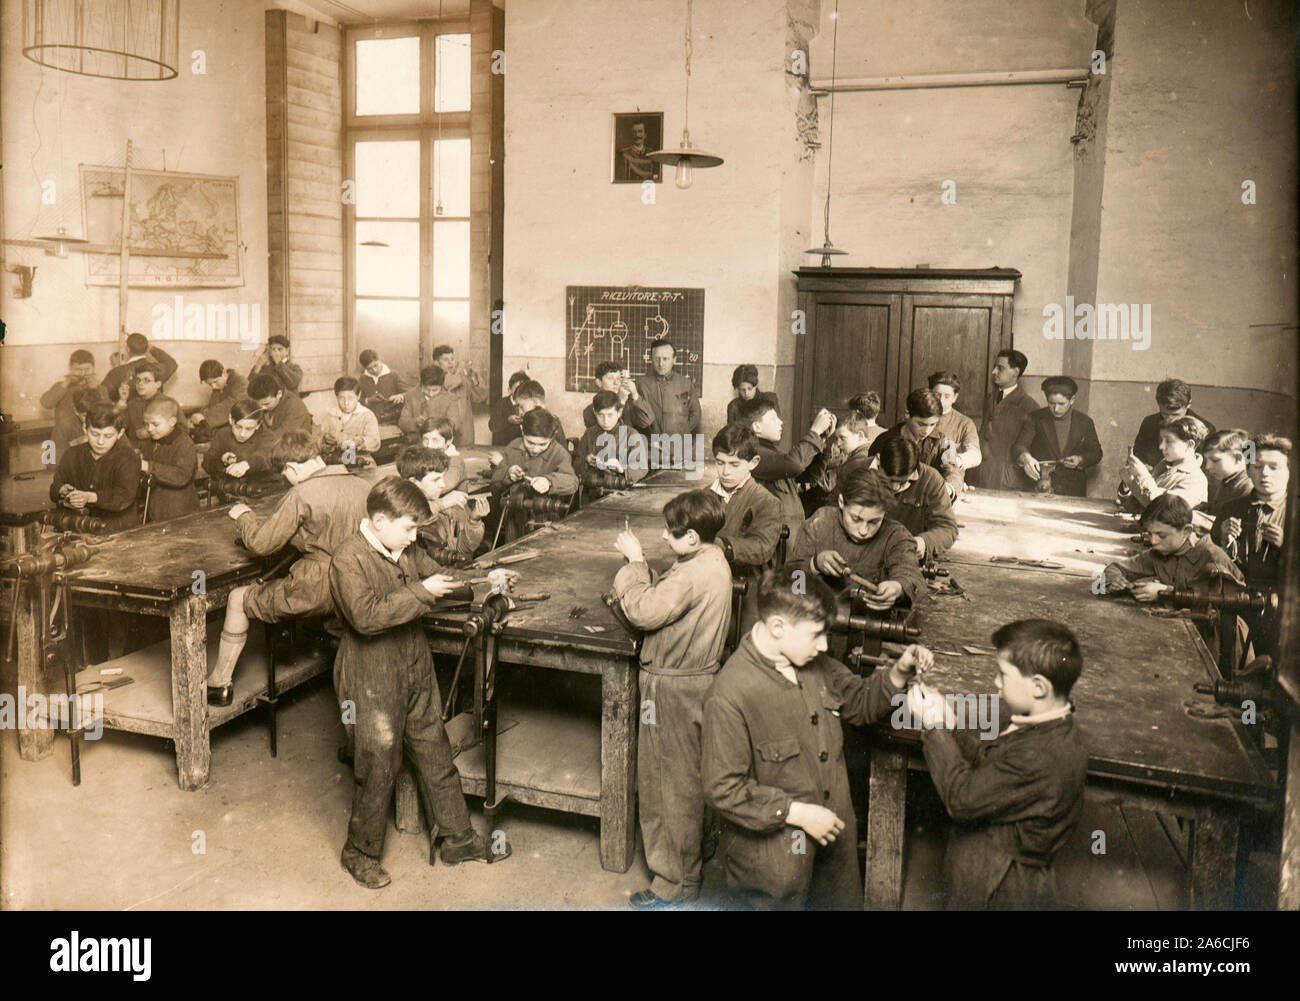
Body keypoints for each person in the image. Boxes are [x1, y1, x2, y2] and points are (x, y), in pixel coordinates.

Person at [702, 566, 927, 909]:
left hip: (834, 856)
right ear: (778, 627)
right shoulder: (730, 694)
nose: (824, 644)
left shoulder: (814, 663)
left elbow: (861, 705)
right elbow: (723, 788)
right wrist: (798, 813)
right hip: (775, 868)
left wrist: (897, 674)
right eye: (816, 634)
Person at [332, 477, 507, 889]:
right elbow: (366, 616)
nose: (414, 537)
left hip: (413, 657)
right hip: (370, 670)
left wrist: (485, 582)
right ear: (378, 521)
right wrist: (423, 592)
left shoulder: (404, 548)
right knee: (378, 762)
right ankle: (359, 851)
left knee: (434, 747)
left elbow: (439, 578)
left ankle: (456, 838)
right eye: (409, 527)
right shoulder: (348, 559)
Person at [609, 490, 732, 908]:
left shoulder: (689, 574)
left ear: (694, 538)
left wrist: (636, 563)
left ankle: (674, 884)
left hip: (671, 687)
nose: (665, 537)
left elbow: (643, 612)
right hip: (699, 682)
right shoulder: (714, 558)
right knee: (690, 779)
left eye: (673, 533)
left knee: (665, 785)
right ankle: (696, 856)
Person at [921, 619, 1088, 909]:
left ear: (1038, 687)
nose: (996, 682)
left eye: (1003, 674)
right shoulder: (1053, 728)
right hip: (1001, 870)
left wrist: (934, 727)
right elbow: (996, 769)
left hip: (997, 884)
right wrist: (953, 725)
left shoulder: (1038, 755)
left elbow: (962, 799)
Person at [205, 431, 372, 707]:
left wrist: (244, 516)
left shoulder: (302, 492)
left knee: (237, 599)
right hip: (357, 583)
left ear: (292, 468)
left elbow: (261, 545)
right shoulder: (362, 486)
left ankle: (219, 685)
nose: (287, 480)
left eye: (286, 474)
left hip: (318, 587)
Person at [1102, 493, 1243, 600]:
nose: (1153, 541)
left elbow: (1238, 599)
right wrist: (1115, 580)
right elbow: (1115, 567)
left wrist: (1167, 593)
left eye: (1161, 535)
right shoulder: (1159, 553)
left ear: (1186, 531)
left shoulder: (1213, 557)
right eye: (1149, 534)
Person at [742, 396, 836, 540]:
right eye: (773, 419)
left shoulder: (772, 452)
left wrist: (821, 440)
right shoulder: (756, 454)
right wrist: (815, 432)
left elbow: (808, 476)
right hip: (777, 538)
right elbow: (795, 464)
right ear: (757, 427)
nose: (781, 422)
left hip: (789, 534)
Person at [49, 403, 141, 532]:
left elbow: (124, 496)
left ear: (120, 434)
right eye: (95, 434)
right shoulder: (72, 454)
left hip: (116, 527)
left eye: (108, 436)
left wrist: (90, 497)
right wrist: (62, 490)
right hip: (79, 525)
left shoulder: (128, 457)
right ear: (85, 429)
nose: (100, 442)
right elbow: (54, 488)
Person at [490, 409, 579, 541]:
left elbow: (572, 482)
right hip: (515, 521)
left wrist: (549, 482)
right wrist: (508, 474)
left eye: (542, 444)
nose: (535, 449)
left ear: (553, 436)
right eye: (530, 443)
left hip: (547, 520)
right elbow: (495, 483)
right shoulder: (513, 447)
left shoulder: (559, 453)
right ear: (522, 430)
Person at [869, 434, 959, 559]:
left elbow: (947, 528)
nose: (895, 487)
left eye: (902, 482)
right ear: (878, 461)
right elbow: (833, 515)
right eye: (889, 481)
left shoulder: (931, 480)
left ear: (914, 470)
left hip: (904, 557)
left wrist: (924, 542)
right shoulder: (855, 470)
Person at [710, 424, 784, 575]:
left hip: (744, 583)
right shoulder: (704, 496)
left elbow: (762, 547)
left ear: (753, 463)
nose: (725, 472)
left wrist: (726, 546)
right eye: (720, 463)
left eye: (734, 464)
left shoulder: (767, 502)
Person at [397, 445, 488, 566]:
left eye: (442, 478)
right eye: (436, 480)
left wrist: (474, 521)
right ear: (414, 482)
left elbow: (462, 551)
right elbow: (417, 517)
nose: (443, 485)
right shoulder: (399, 511)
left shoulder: (443, 513)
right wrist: (441, 504)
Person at [1014, 376, 1103, 497]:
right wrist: (1026, 458)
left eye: (1061, 404)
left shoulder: (1084, 422)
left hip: (1073, 489)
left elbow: (1096, 453)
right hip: (1040, 486)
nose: (1056, 409)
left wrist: (1080, 460)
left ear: (1072, 400)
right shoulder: (1035, 418)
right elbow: (1019, 446)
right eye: (1051, 403)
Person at [877, 388, 965, 499]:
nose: (927, 431)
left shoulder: (945, 442)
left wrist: (948, 488)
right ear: (907, 414)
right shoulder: (883, 441)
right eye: (921, 424)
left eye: (933, 424)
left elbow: (954, 471)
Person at [630, 340, 701, 467]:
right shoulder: (640, 384)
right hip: (651, 451)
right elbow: (635, 419)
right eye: (657, 358)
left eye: (665, 359)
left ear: (674, 359)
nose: (661, 363)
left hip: (679, 450)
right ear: (651, 358)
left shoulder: (685, 383)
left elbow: (695, 414)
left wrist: (680, 433)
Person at [1118, 415, 1208, 512]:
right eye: (1161, 440)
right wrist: (1129, 483)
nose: (1161, 446)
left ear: (1190, 445)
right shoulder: (1163, 467)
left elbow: (1165, 511)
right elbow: (1139, 507)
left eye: (1168, 441)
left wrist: (1143, 476)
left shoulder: (1195, 479)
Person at [978, 349, 1039, 490]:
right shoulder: (990, 398)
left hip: (1005, 480)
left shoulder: (1029, 406)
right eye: (995, 367)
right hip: (981, 474)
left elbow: (1023, 446)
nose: (994, 372)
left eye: (1000, 368)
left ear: (1016, 372)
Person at [573, 390, 650, 496]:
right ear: (594, 412)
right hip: (592, 494)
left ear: (619, 413)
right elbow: (576, 463)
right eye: (601, 415)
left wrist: (622, 468)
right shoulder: (589, 434)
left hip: (622, 495)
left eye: (610, 415)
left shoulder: (631, 434)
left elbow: (642, 468)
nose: (606, 421)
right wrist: (586, 460)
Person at [203, 399, 281, 500]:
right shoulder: (222, 435)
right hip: (230, 498)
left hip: (262, 498)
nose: (242, 434)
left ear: (258, 425)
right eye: (238, 427)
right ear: (231, 419)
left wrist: (246, 464)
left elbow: (264, 456)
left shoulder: (269, 438)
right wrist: (222, 460)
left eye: (249, 429)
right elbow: (207, 462)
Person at [138, 397, 200, 522]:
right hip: (155, 505)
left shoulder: (184, 443)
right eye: (146, 424)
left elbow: (181, 476)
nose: (149, 429)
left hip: (179, 509)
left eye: (155, 424)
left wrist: (148, 466)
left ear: (172, 422)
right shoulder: (152, 440)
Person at [1132, 378, 1215, 469]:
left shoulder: (1205, 429)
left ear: (1189, 404)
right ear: (1158, 404)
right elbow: (1138, 454)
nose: (1170, 419)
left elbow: (1207, 469)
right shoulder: (1149, 422)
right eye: (1164, 414)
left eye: (1176, 415)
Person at [41, 350, 105, 457]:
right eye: (78, 370)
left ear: (93, 369)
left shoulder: (100, 388)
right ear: (70, 369)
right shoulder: (62, 386)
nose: (83, 374)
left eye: (87, 370)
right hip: (66, 436)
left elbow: (106, 412)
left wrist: (96, 389)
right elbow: (46, 403)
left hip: (93, 435)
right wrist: (66, 382)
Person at [1199, 429, 1255, 531]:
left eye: (1215, 460)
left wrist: (1199, 519)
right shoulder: (1227, 480)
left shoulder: (1247, 487)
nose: (1207, 466)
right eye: (1207, 460)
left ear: (1238, 458)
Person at [928, 372, 981, 477]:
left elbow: (975, 454)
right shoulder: (920, 416)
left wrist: (957, 460)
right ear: (930, 393)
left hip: (949, 479)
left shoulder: (965, 423)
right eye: (937, 395)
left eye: (947, 396)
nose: (941, 400)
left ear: (955, 397)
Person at [432, 344, 487, 445]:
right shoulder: (434, 379)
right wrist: (461, 369)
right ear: (436, 363)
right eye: (445, 359)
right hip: (445, 433)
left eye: (452, 359)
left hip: (466, 434)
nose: (450, 362)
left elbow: (481, 397)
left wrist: (473, 377)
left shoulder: (463, 378)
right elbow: (451, 382)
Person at [100, 332, 178, 402]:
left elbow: (101, 396)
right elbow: (172, 363)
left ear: (127, 349)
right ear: (147, 348)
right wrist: (152, 348)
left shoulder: (117, 372)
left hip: (128, 416)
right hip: (153, 414)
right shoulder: (156, 369)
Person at [321, 376, 381, 465]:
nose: (346, 403)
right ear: (336, 396)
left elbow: (375, 442)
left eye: (350, 398)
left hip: (362, 461)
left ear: (358, 395)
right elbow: (319, 441)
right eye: (342, 398)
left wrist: (362, 441)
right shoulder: (330, 416)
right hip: (336, 462)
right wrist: (325, 440)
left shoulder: (367, 415)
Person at [398, 364, 461, 444]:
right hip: (416, 444)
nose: (431, 393)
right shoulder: (411, 396)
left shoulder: (450, 398)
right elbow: (402, 423)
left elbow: (455, 424)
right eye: (427, 389)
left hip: (439, 444)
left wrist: (435, 426)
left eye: (435, 390)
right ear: (421, 384)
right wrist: (415, 422)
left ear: (441, 386)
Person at [189, 360, 248, 442]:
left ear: (224, 373)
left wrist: (204, 417)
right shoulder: (219, 387)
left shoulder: (241, 383)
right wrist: (199, 414)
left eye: (215, 382)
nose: (213, 387)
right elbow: (212, 406)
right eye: (210, 384)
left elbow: (232, 405)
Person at [249, 372, 315, 440]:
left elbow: (279, 437)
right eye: (259, 404)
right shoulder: (270, 403)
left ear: (279, 394)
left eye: (266, 404)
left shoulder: (295, 407)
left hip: (294, 445)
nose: (262, 408)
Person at [119, 362, 175, 443]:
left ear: (158, 384)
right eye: (138, 380)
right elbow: (119, 426)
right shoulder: (132, 404)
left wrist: (151, 432)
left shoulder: (168, 403)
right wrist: (122, 400)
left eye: (146, 380)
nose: (140, 384)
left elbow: (182, 431)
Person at [583, 361, 642, 429]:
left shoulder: (630, 403)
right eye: (610, 378)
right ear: (599, 382)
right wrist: (621, 402)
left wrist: (635, 395)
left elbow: (647, 422)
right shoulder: (590, 411)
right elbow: (606, 434)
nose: (616, 382)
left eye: (618, 378)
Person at [357, 349, 409, 424]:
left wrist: (400, 396)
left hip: (393, 420)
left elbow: (410, 394)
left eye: (376, 365)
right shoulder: (362, 379)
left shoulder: (394, 375)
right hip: (371, 421)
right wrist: (368, 400)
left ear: (380, 360)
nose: (374, 370)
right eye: (369, 369)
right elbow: (356, 401)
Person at [512, 379, 568, 446]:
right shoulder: (528, 420)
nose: (520, 412)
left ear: (536, 402)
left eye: (521, 407)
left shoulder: (551, 424)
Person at [419, 416, 467, 489]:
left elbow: (443, 486)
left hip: (450, 497)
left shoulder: (455, 460)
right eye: (425, 440)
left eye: (435, 440)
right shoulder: (424, 455)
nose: (429, 445)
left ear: (449, 441)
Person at [489, 370, 531, 446]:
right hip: (503, 446)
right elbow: (492, 426)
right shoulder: (501, 404)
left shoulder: (530, 404)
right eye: (517, 388)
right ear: (509, 389)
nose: (520, 391)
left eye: (523, 388)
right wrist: (508, 420)